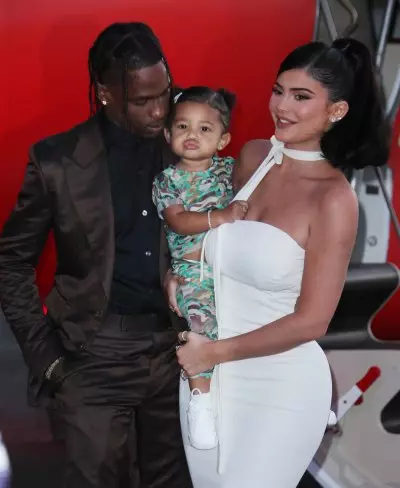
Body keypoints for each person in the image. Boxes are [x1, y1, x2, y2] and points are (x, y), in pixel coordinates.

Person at [166, 38, 390, 487]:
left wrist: (214, 352)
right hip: (205, 383)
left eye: (301, 96)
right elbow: (204, 238)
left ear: (337, 111)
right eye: (278, 90)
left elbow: (312, 321)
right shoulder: (251, 158)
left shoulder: (334, 199)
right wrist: (179, 275)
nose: (281, 106)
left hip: (279, 385)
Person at [0, 22, 193, 488]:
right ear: (104, 94)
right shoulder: (58, 162)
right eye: (143, 101)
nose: (159, 110)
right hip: (95, 354)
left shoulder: (188, 145)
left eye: (165, 93)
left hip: (179, 355)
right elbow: (11, 261)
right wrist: (45, 355)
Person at [152, 86, 248, 450]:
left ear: (224, 139)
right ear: (168, 134)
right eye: (182, 127)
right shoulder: (167, 181)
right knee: (201, 329)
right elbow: (178, 221)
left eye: (205, 129)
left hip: (234, 270)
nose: (192, 135)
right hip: (195, 272)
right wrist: (219, 216)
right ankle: (201, 401)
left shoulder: (230, 170)